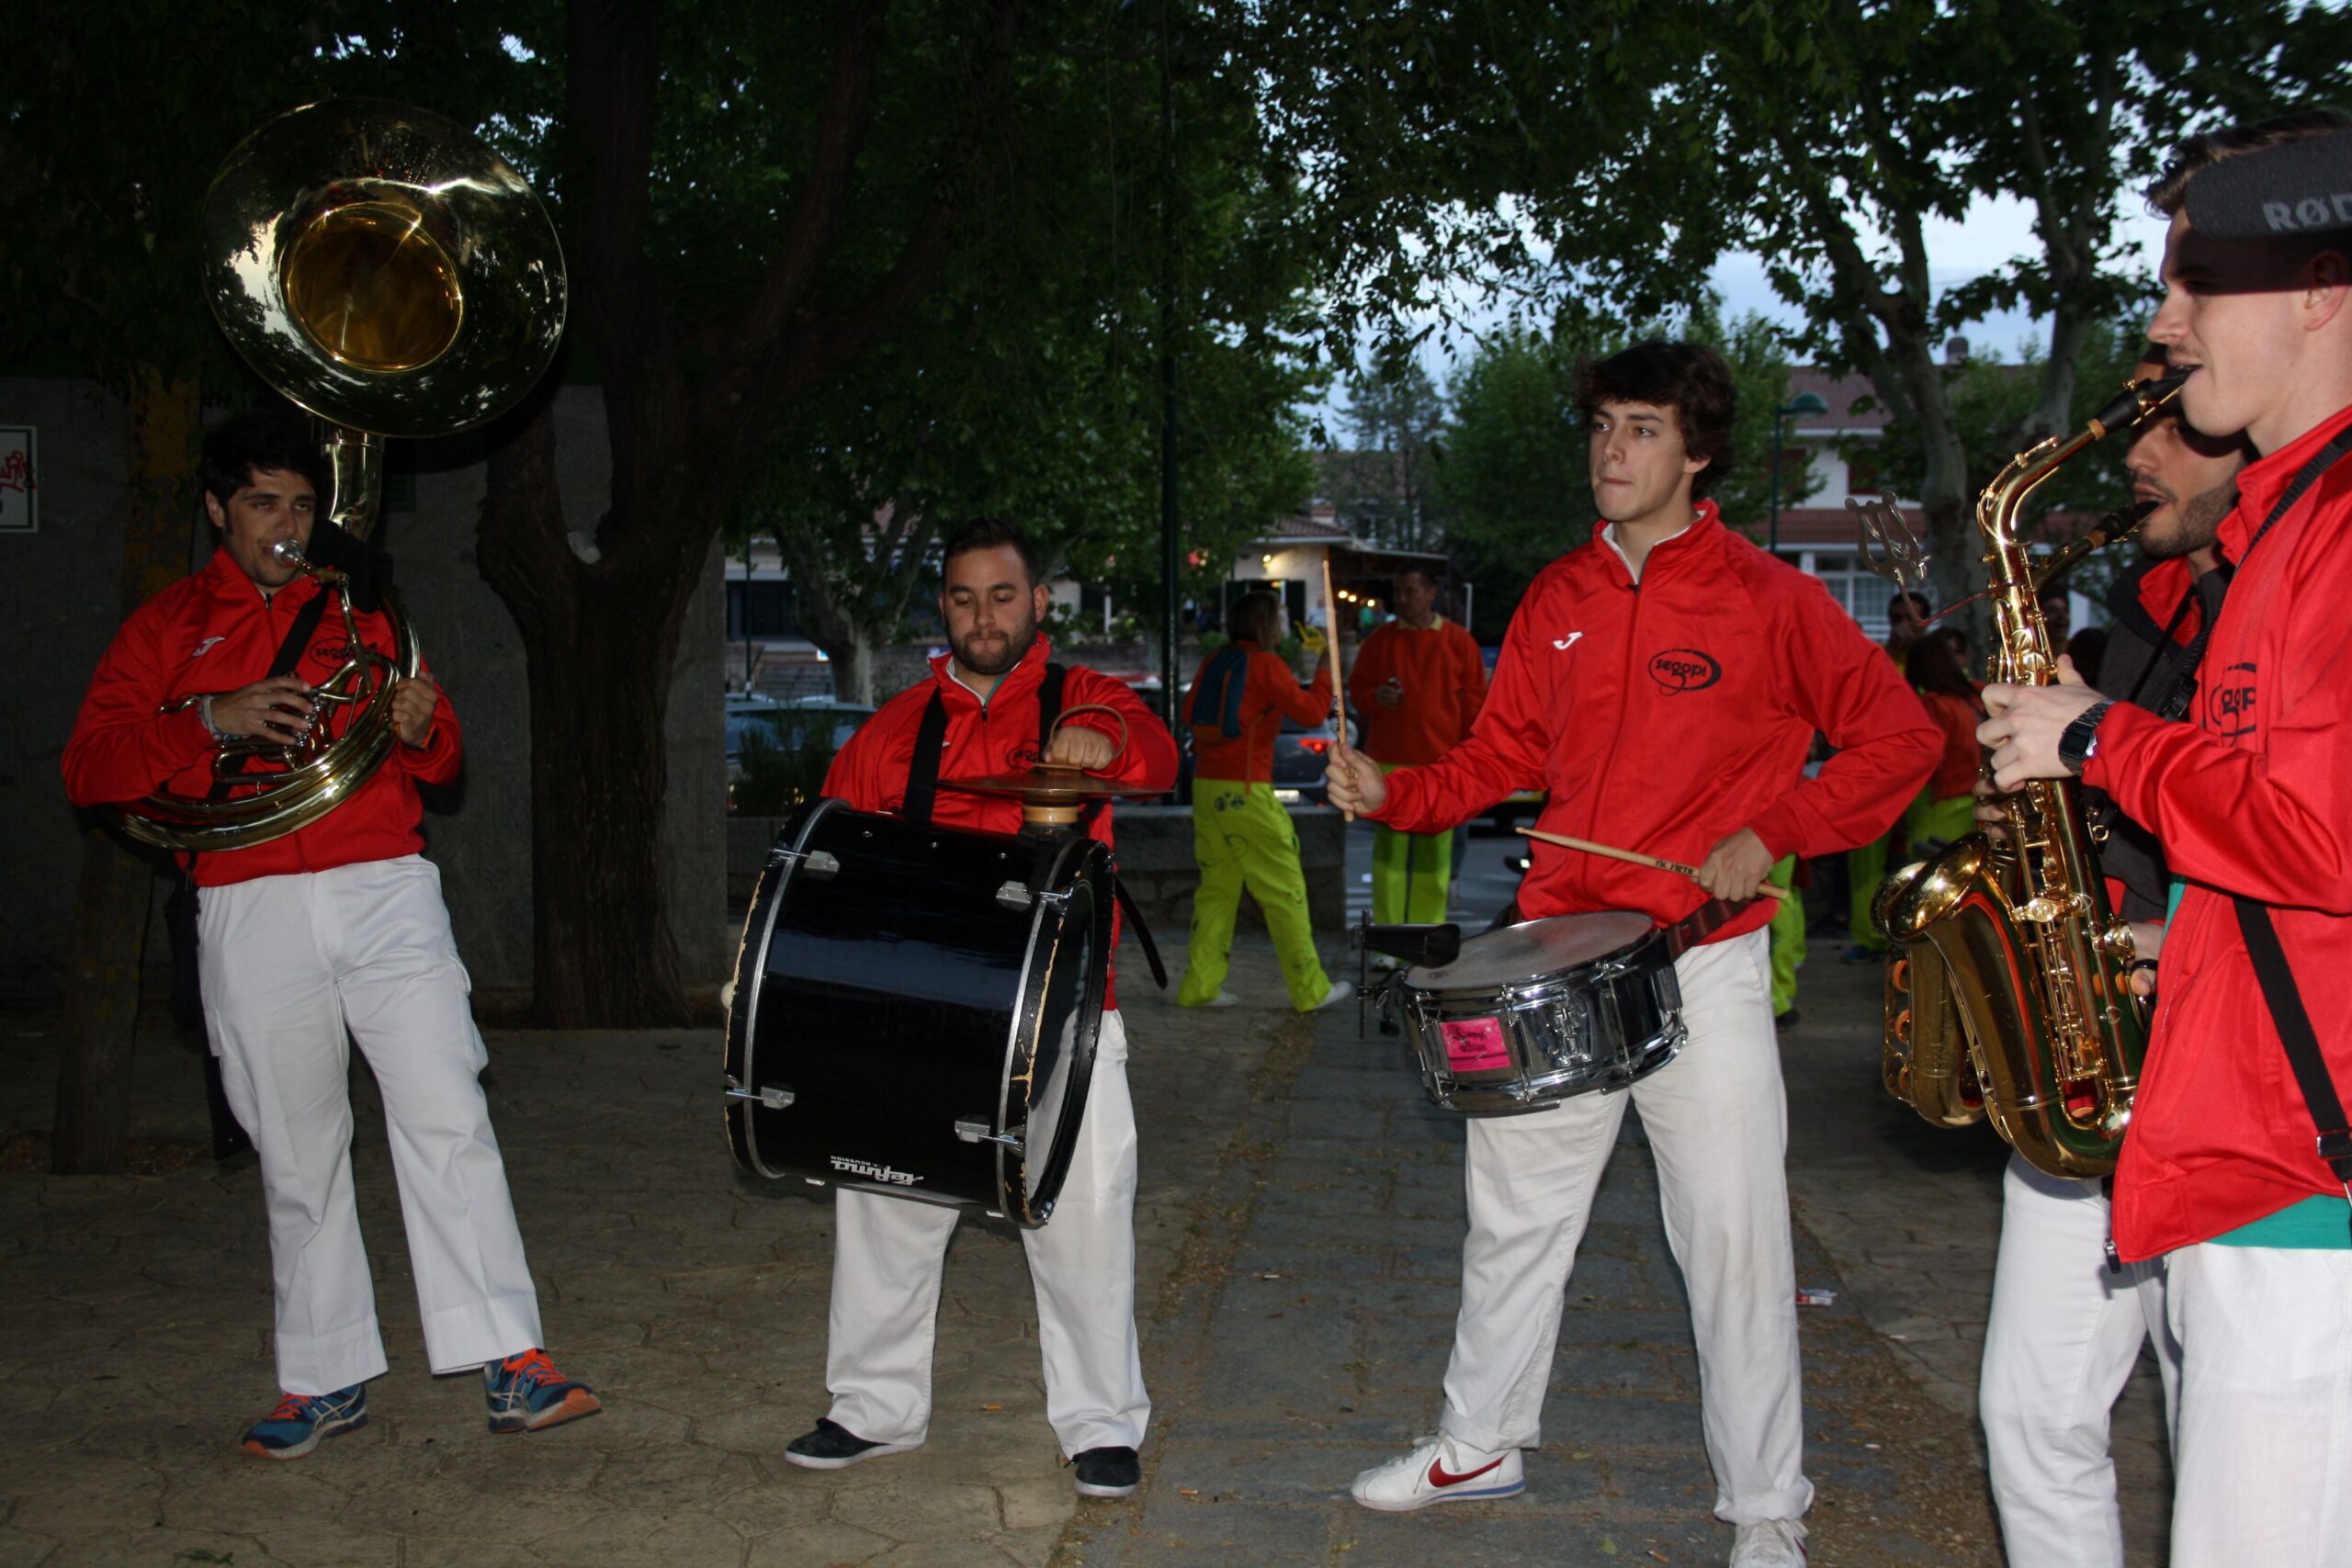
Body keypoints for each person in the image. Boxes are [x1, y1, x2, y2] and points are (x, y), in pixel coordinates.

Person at [1324, 341, 1939, 1568]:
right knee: (1511, 1219)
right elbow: (1499, 762)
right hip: (1556, 947)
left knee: (1733, 1234)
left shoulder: (1773, 598)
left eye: (1643, 428)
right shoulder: (1556, 597)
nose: (1613, 449)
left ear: (1697, 451)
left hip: (1701, 958)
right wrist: (1394, 787)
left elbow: (1900, 739)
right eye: (1603, 424)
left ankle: (1766, 1504)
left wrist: (1776, 829)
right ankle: (1480, 1438)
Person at [60, 407, 598, 1460]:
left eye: (302, 505)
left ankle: (511, 1360)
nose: (286, 524)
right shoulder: (166, 627)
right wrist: (211, 718)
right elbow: (90, 768)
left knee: (447, 1106)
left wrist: (421, 723)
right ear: (218, 508)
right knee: (297, 1150)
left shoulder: (366, 610)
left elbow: (439, 761)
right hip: (247, 896)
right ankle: (323, 1377)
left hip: (383, 884)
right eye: (263, 502)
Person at [1979, 111, 2352, 1567]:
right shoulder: (2280, 527)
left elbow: (2321, 839)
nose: (2164, 321)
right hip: (2242, 1138)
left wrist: (2095, 736)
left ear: (2323, 285)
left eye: (2200, 282)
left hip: (2300, 1158)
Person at [782, 517, 1178, 1499]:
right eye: (962, 598)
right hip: (923, 1011)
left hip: (1066, 1009)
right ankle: (871, 1406)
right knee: (880, 1202)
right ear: (943, 608)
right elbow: (832, 863)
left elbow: (1157, 756)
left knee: (1081, 1218)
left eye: (1002, 596)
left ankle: (1099, 1422)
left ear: (1038, 602)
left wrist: (1103, 740)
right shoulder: (893, 726)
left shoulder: (1085, 696)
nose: (982, 616)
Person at [1974, 348, 2244, 1568]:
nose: (2139, 454)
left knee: (2221, 1428)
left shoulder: (2291, 605)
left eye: (2171, 421)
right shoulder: (2139, 612)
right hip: (2099, 1064)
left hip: (2236, 1070)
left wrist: (2165, 935)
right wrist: (2035, 809)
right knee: (2030, 1409)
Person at [1174, 590, 1350, 1012]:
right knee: (1284, 889)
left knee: (1217, 890)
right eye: (1279, 620)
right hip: (1247, 791)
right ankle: (1310, 989)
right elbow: (1311, 713)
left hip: (1207, 787)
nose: (1283, 627)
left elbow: (1187, 714)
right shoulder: (1266, 665)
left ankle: (1200, 985)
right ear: (1266, 624)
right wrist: (1327, 670)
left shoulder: (1214, 661)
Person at [1346, 566, 1488, 926]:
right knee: (1390, 855)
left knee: (1434, 856)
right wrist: (1376, 697)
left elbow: (1476, 706)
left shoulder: (1459, 642)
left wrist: (1466, 759)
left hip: (1440, 765)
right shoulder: (1379, 641)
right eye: (1400, 591)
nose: (1403, 599)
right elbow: (1358, 695)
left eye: (1411, 591)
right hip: (1389, 762)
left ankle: (1427, 935)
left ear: (1430, 595)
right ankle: (1389, 938)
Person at [1842, 588, 1934, 961]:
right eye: (1896, 617)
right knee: (1865, 857)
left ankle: (1919, 933)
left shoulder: (1934, 661)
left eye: (1910, 618)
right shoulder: (1877, 660)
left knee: (1919, 853)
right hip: (1875, 773)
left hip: (1924, 780)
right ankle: (1869, 937)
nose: (1902, 625)